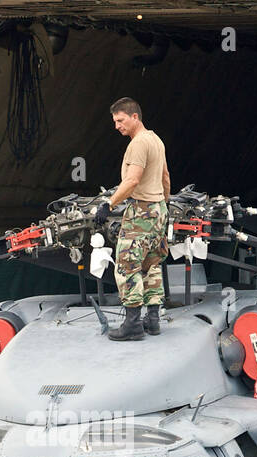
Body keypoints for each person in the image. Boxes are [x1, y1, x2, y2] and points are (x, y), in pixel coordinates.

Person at [99, 96, 171, 342]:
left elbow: (132, 180)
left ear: (134, 117)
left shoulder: (139, 143)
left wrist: (108, 204)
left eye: (120, 120)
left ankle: (132, 325)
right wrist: (164, 205)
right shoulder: (156, 140)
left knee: (127, 264)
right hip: (158, 209)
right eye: (115, 121)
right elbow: (165, 176)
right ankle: (152, 320)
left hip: (141, 211)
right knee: (151, 263)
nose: (117, 126)